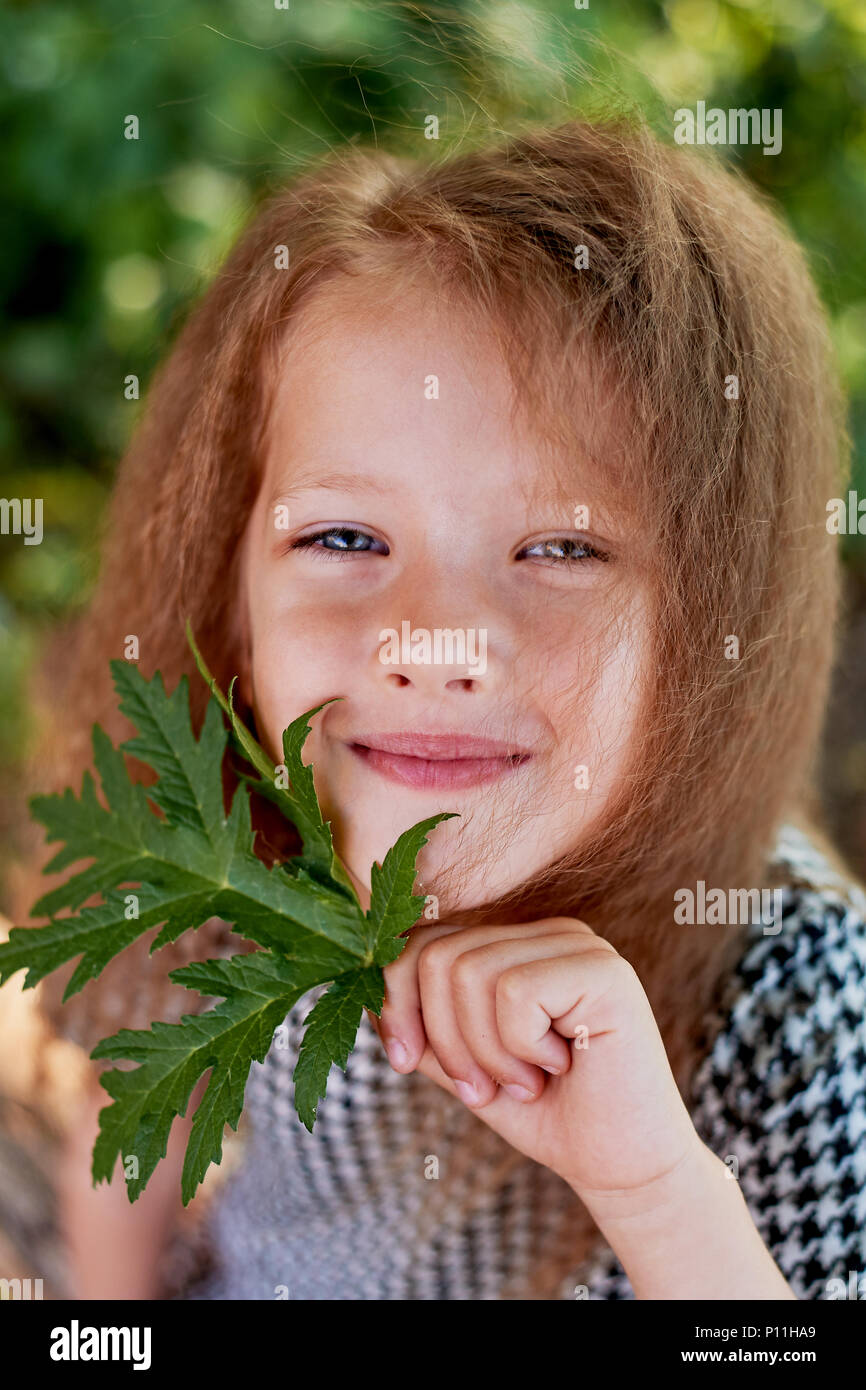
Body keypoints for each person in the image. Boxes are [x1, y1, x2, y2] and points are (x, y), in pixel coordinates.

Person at [15, 115, 866, 1300]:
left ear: (714, 616)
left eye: (561, 546)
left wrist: (657, 1190)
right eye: (344, 535)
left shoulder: (802, 1006)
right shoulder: (235, 833)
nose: (428, 643)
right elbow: (142, 1099)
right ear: (229, 587)